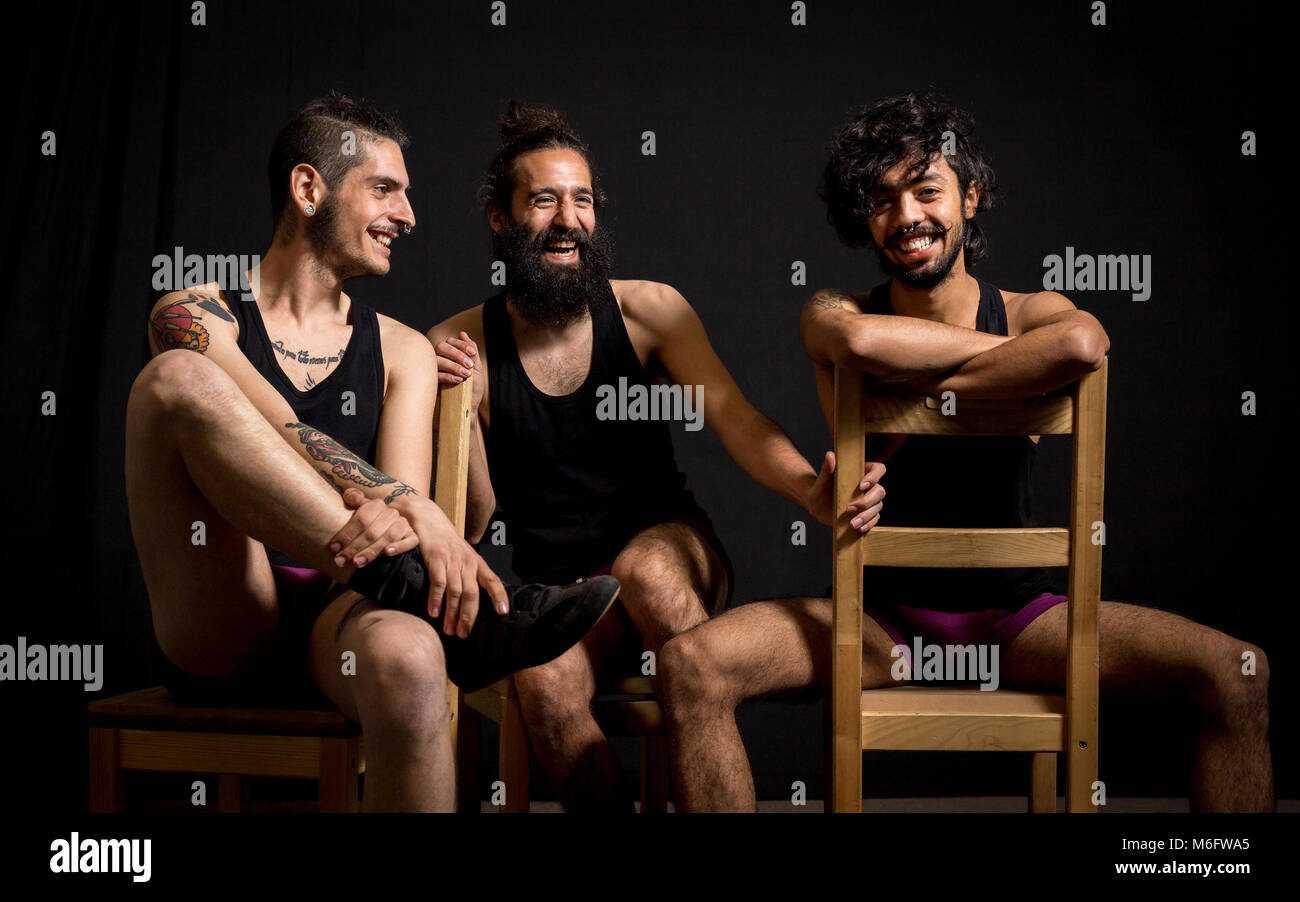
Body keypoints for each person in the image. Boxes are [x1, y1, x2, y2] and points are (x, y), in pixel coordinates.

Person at [659, 92, 1273, 813]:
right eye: (883, 201)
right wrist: (1015, 367)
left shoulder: (1029, 308)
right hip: (875, 621)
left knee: (1241, 672)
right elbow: (855, 345)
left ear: (970, 197)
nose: (907, 217)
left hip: (1020, 622)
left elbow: (1079, 344)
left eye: (927, 191)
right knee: (690, 665)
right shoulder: (838, 310)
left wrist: (920, 367)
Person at [125, 95, 616, 812]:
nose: (409, 215)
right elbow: (285, 432)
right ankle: (445, 607)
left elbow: (391, 511)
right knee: (175, 379)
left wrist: (405, 507)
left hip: (343, 610)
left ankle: (411, 596)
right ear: (308, 189)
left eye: (407, 194)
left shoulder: (402, 350)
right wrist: (408, 508)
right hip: (227, 610)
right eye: (385, 189)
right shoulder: (195, 314)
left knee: (414, 659)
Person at [428, 102, 873, 810]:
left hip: (675, 552)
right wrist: (464, 408)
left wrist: (808, 491)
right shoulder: (456, 344)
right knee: (539, 679)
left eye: (582, 200)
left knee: (647, 569)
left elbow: (735, 420)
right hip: (565, 597)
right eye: (543, 200)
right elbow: (474, 521)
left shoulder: (649, 312)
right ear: (499, 219)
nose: (567, 218)